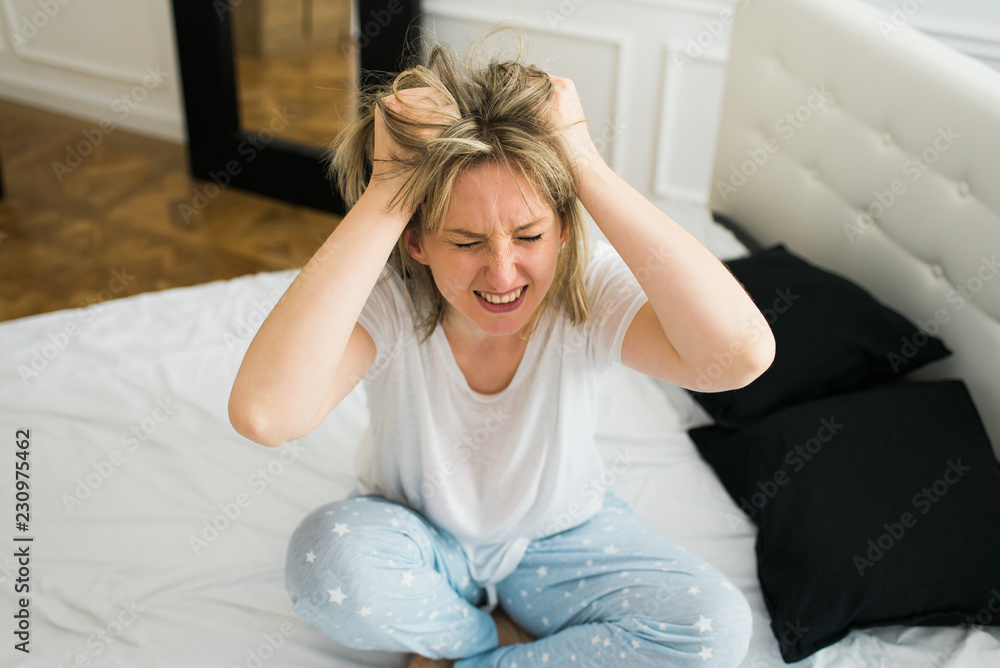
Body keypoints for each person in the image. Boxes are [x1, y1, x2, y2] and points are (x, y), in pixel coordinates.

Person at [229, 32, 774, 668]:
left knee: (714, 628)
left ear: (564, 228)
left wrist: (586, 167)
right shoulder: (393, 301)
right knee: (327, 562)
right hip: (420, 539)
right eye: (464, 243)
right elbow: (265, 414)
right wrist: (387, 190)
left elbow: (738, 356)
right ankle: (479, 639)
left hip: (562, 537)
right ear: (415, 243)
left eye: (529, 235)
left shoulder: (587, 289)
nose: (503, 274)